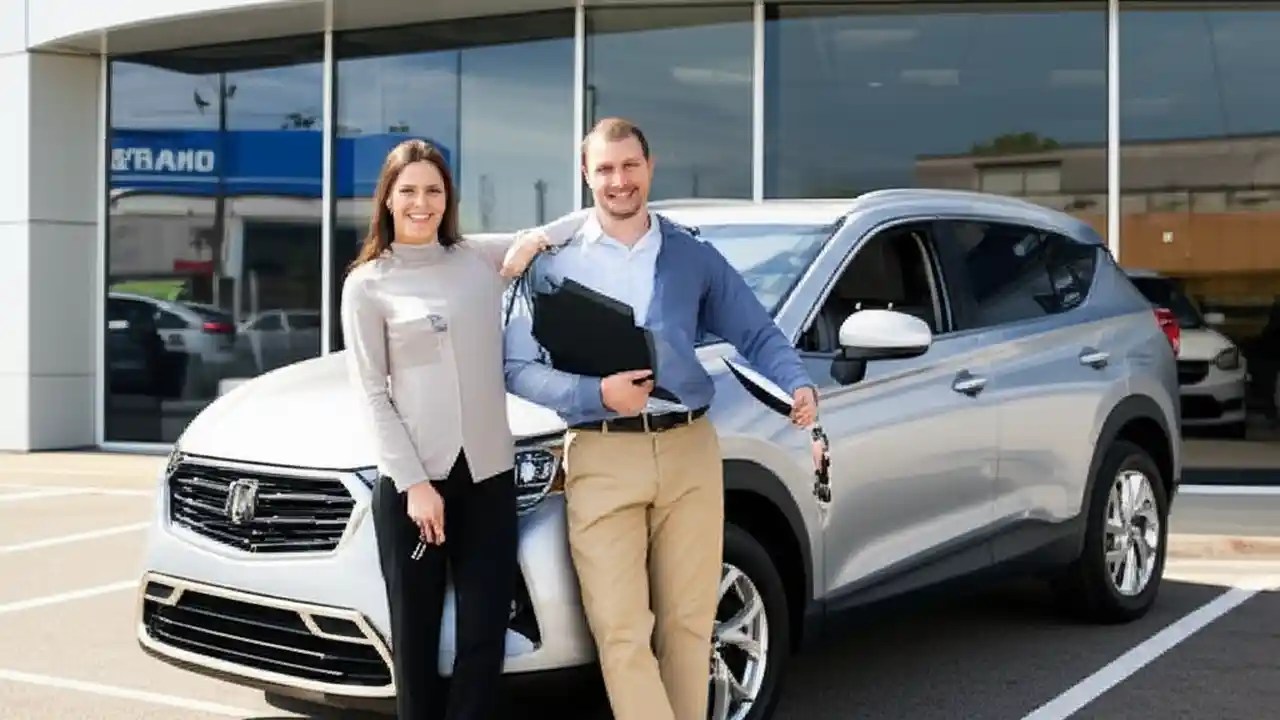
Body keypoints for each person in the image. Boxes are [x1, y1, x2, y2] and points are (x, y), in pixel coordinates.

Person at [502, 118, 818, 720]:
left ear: (649, 168)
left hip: (689, 450)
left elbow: (754, 329)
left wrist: (797, 380)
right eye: (604, 169)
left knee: (689, 627)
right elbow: (516, 368)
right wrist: (597, 393)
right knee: (621, 634)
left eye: (629, 166)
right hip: (600, 453)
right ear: (586, 174)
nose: (618, 181)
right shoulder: (550, 264)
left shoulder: (691, 254)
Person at [340, 138, 567, 720]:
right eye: (409, 190)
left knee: (482, 641)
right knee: (414, 648)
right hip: (417, 490)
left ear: (449, 198)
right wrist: (415, 486)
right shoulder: (367, 283)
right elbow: (370, 393)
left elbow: (556, 233)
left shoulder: (473, 258)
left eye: (434, 190)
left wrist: (531, 246)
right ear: (387, 199)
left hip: (490, 478)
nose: (422, 202)